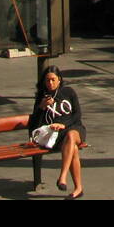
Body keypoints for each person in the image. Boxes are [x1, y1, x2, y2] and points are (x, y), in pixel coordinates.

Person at [28, 65, 86, 198]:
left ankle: (62, 177)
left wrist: (62, 125)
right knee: (73, 149)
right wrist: (42, 107)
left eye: (53, 80)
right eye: (47, 80)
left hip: (76, 129)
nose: (50, 83)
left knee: (71, 135)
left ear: (59, 79)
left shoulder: (69, 92)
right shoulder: (42, 97)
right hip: (56, 136)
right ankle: (78, 188)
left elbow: (77, 114)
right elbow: (35, 124)